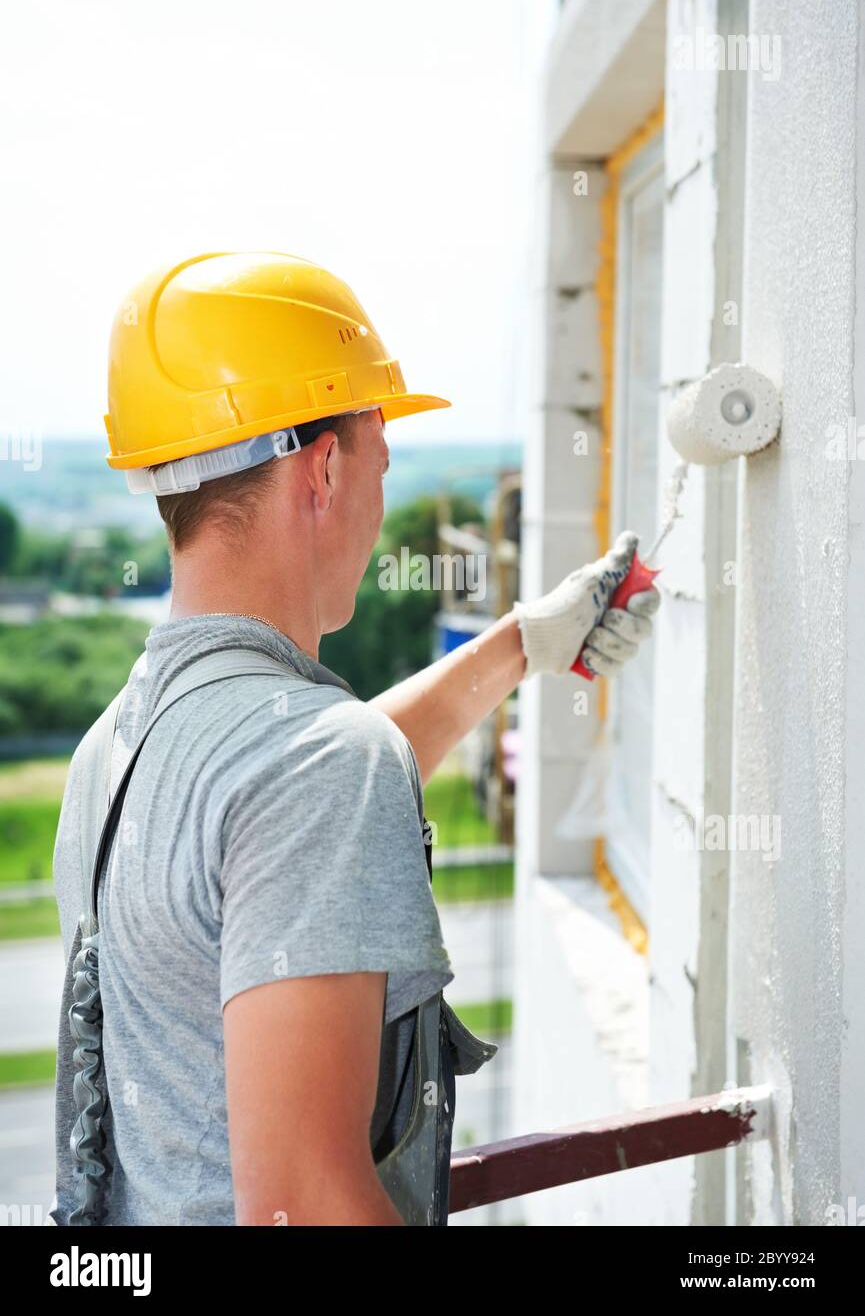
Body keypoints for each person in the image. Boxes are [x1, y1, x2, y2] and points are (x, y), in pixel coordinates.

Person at [49, 251, 660, 1227]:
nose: (379, 507)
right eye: (381, 461)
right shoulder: (317, 769)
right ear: (324, 468)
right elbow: (305, 1204)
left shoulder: (114, 751)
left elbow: (281, 818)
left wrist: (522, 645)